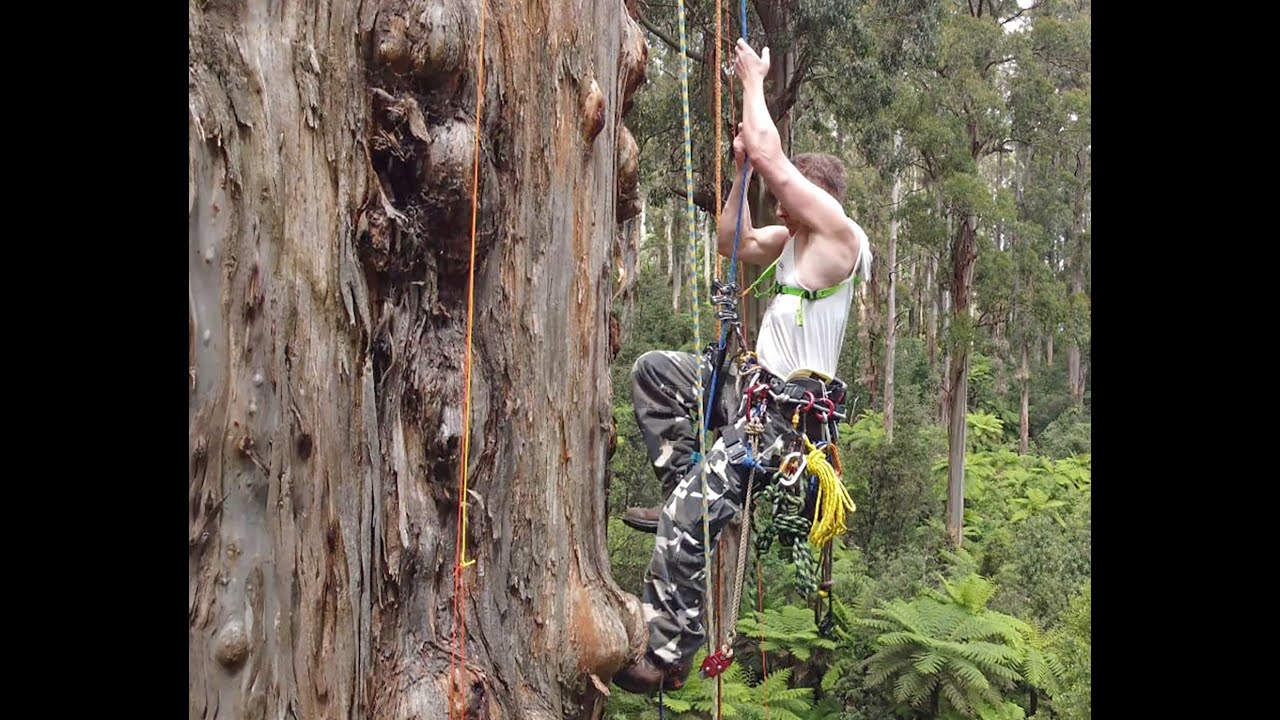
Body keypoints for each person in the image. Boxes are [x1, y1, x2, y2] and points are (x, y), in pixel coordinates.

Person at [612, 38, 872, 693]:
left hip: (784, 432)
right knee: (656, 374)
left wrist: (754, 81)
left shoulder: (838, 240)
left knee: (685, 524)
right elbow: (732, 240)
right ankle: (686, 494)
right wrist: (739, 173)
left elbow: (774, 155)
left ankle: (671, 656)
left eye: (789, 200)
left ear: (816, 200)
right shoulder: (795, 239)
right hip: (752, 400)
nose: (779, 211)